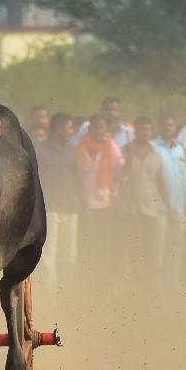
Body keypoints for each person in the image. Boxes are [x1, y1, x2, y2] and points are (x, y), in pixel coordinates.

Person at [75, 113, 124, 286]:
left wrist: (114, 193)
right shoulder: (79, 146)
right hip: (85, 202)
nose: (99, 130)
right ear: (90, 129)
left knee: (104, 240)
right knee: (87, 241)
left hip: (106, 202)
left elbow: (119, 172)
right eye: (96, 127)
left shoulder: (113, 148)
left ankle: (103, 280)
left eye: (102, 127)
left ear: (106, 129)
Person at [118, 117, 168, 277]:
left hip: (150, 212)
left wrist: (168, 208)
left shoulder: (156, 155)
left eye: (148, 129)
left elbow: (162, 185)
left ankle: (147, 284)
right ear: (135, 130)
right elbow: (116, 179)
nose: (145, 132)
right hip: (128, 211)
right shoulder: (123, 151)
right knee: (129, 251)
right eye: (142, 129)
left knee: (150, 251)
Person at [36, 113, 80, 294]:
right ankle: (50, 294)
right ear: (58, 128)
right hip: (49, 209)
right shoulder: (40, 150)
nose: (72, 131)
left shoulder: (72, 150)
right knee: (49, 255)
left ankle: (67, 292)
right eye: (69, 127)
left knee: (70, 255)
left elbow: (77, 177)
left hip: (70, 208)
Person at [153, 113, 186, 289]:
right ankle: (156, 284)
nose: (167, 128)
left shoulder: (179, 149)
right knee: (158, 246)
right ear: (159, 126)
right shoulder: (153, 147)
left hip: (178, 206)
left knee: (176, 246)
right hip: (159, 206)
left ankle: (172, 284)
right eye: (164, 124)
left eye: (170, 125)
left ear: (175, 128)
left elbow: (184, 177)